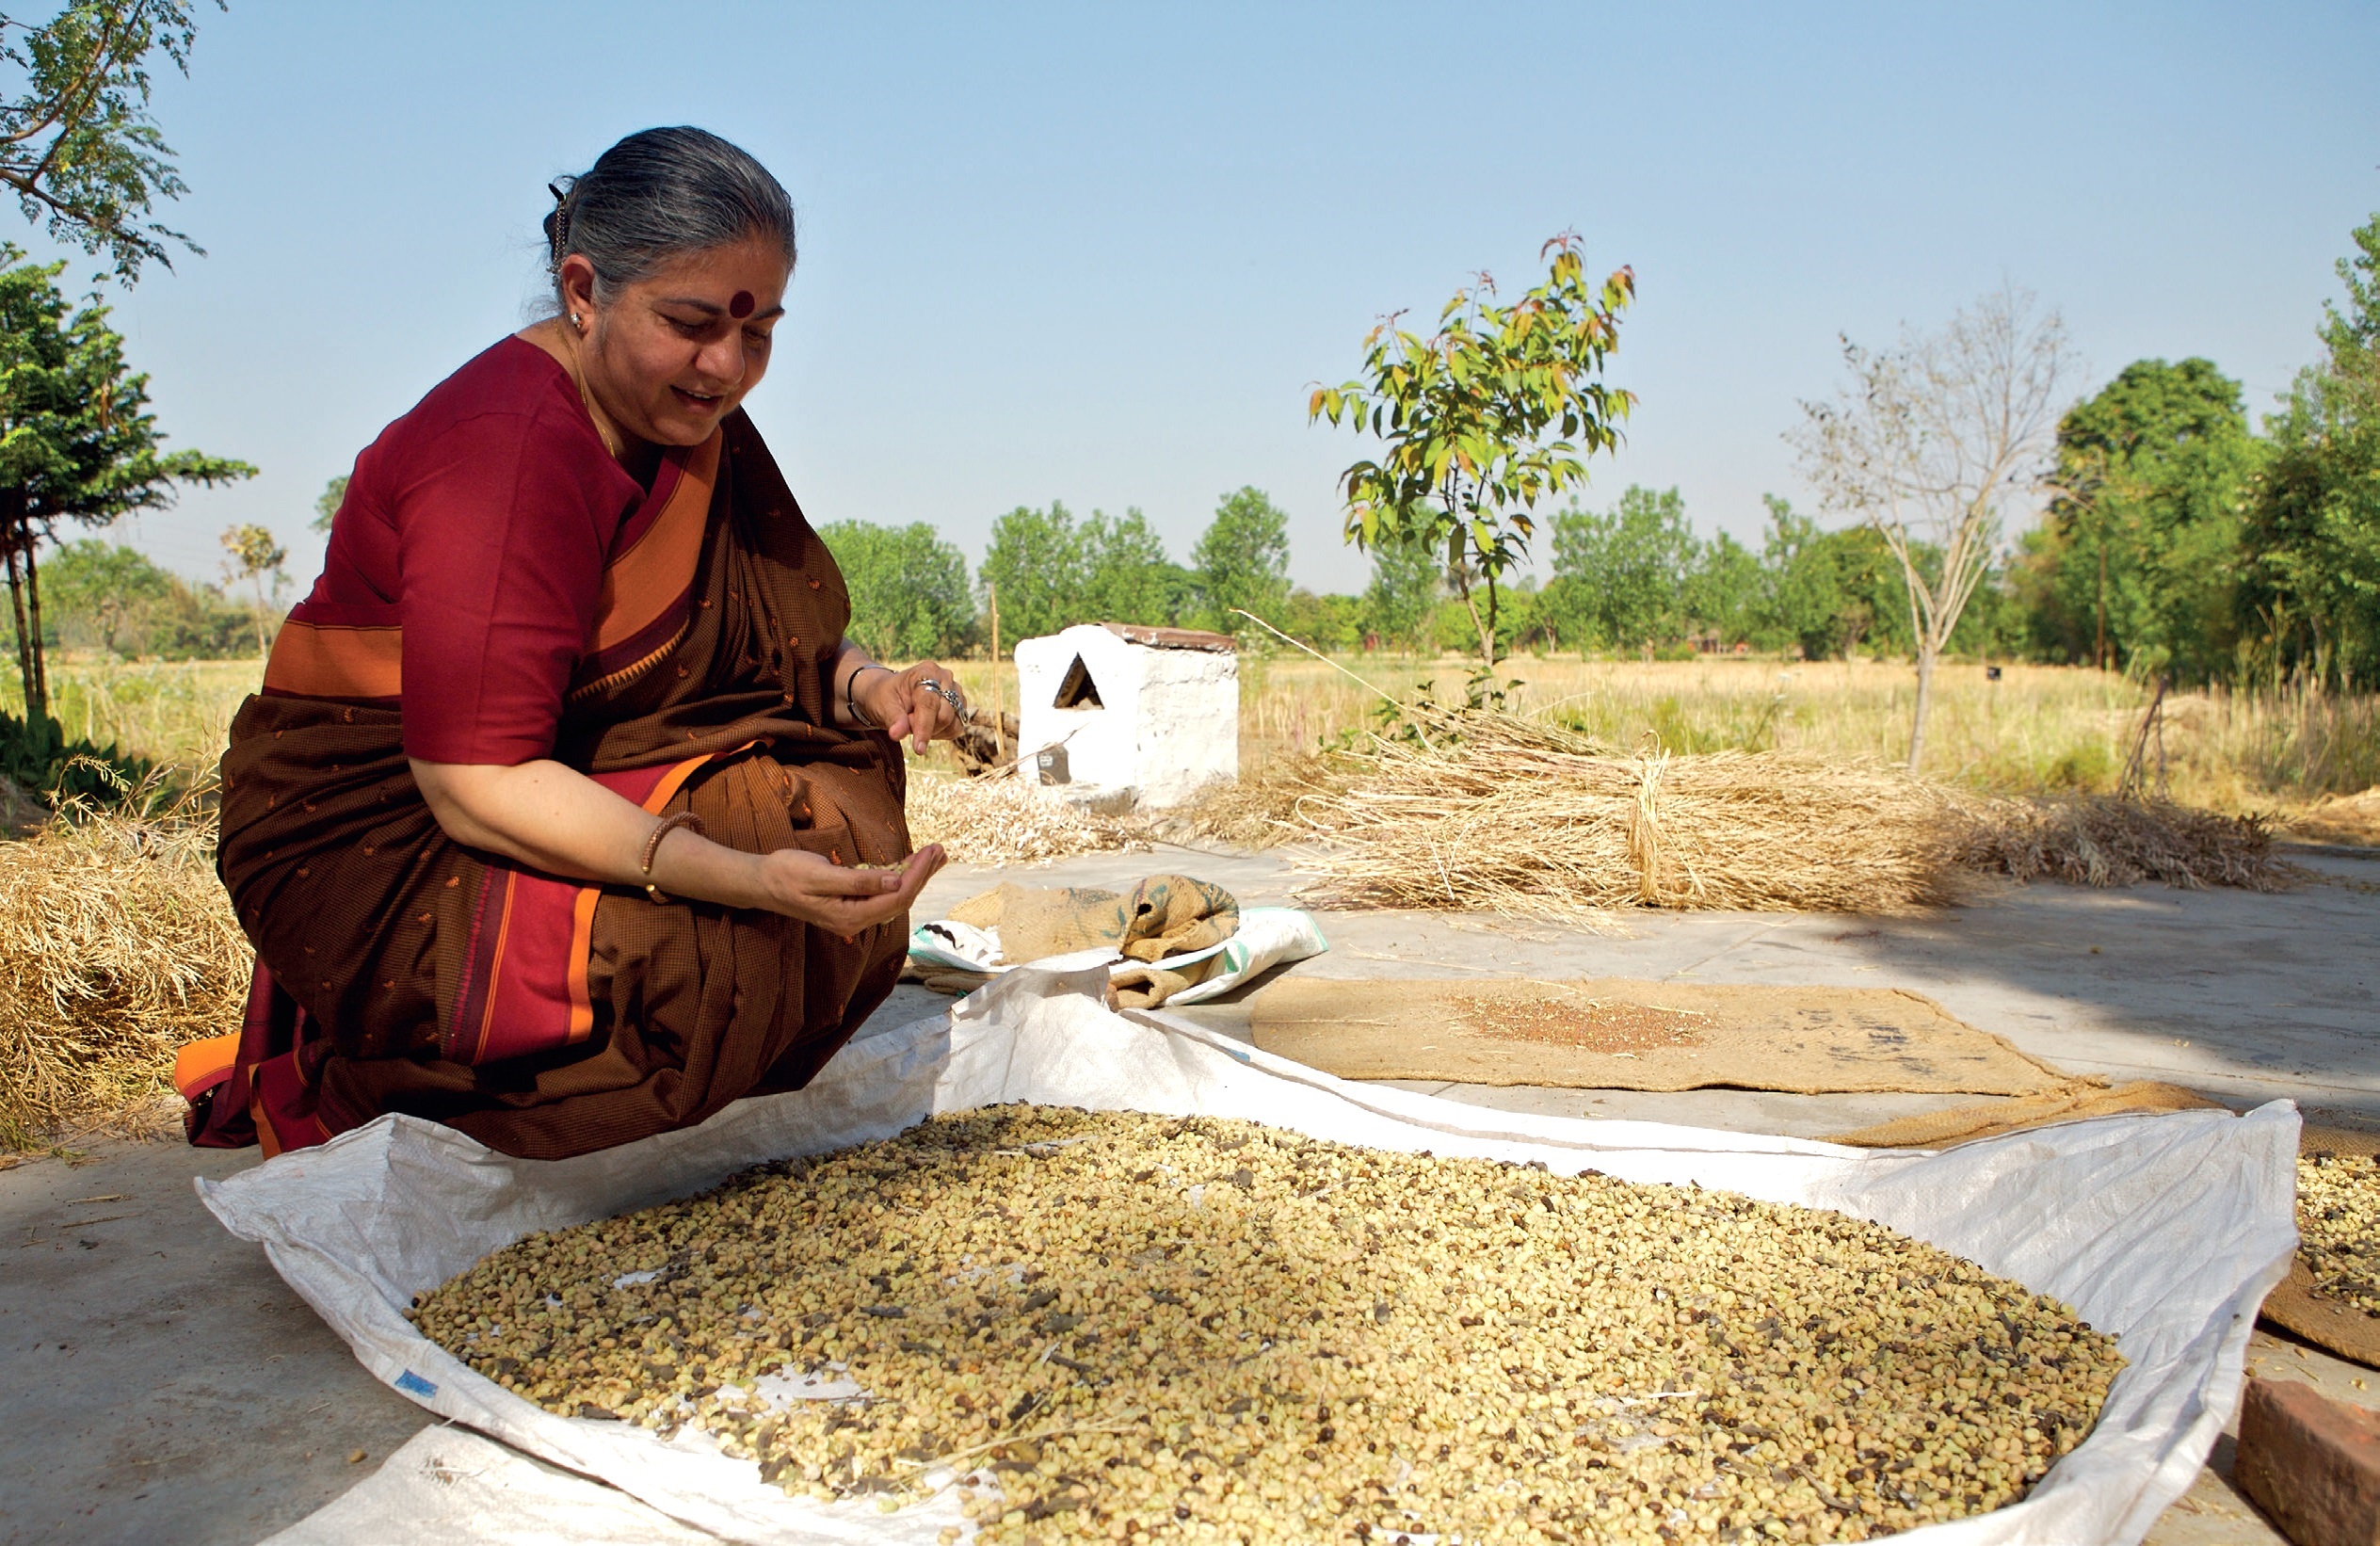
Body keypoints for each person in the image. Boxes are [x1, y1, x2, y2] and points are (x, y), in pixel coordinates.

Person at [176, 127, 962, 1160]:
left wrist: (872, 688)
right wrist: (737, 876)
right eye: (690, 324)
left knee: (823, 811)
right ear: (582, 288)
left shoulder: (694, 423)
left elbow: (777, 637)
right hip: (388, 829)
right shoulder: (498, 453)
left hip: (564, 773)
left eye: (759, 331)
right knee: (724, 954)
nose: (726, 367)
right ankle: (390, 1083)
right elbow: (474, 780)